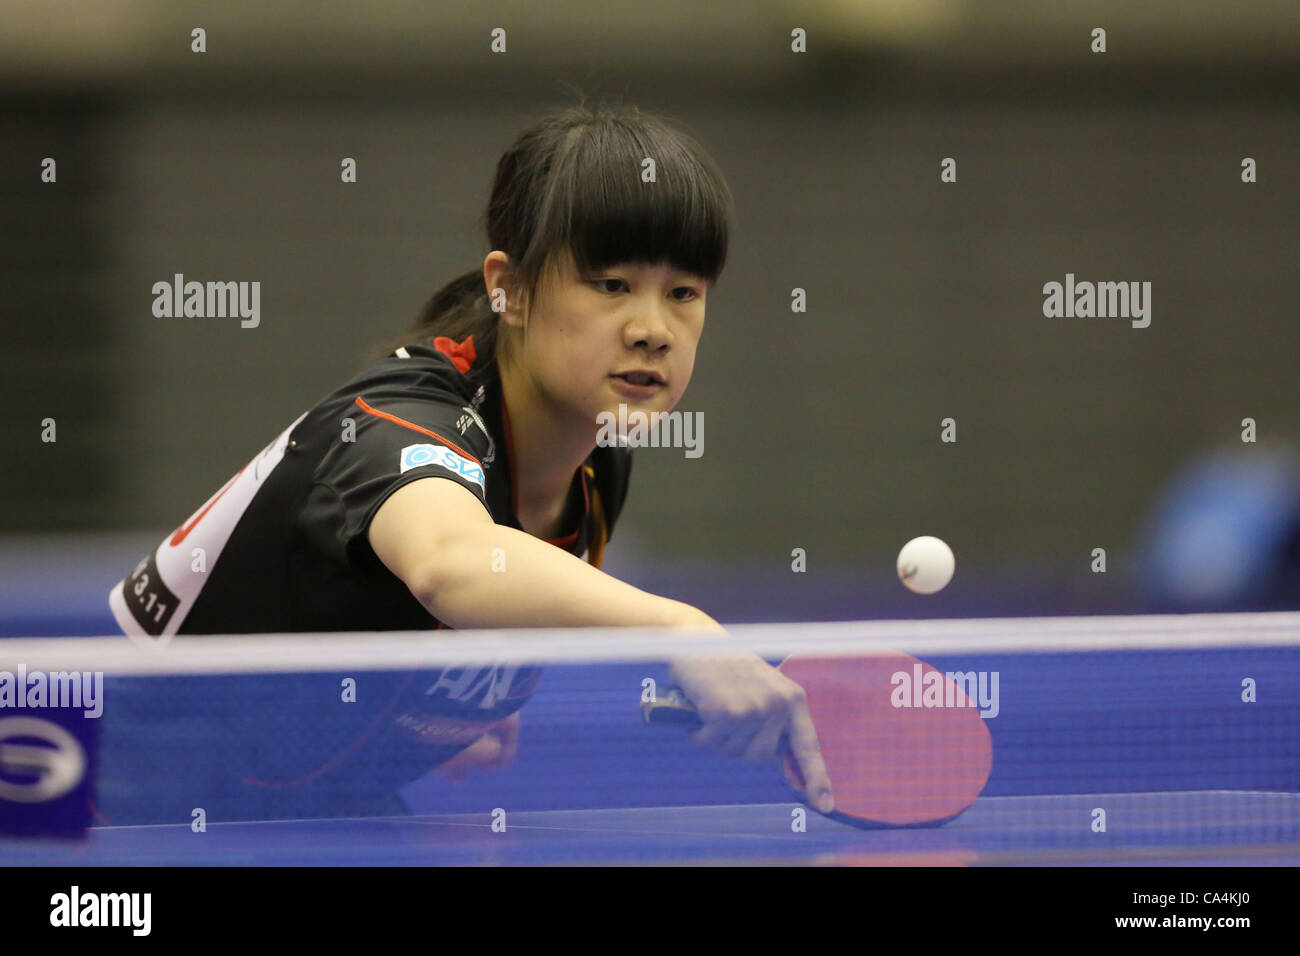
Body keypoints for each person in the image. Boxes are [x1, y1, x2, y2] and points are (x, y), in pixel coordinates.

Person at [103, 99, 831, 822]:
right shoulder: (395, 421)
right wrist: (682, 633)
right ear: (508, 289)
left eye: (683, 293)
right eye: (610, 285)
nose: (653, 329)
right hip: (110, 806)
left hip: (314, 811)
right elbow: (449, 563)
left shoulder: (598, 458)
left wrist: (419, 700)